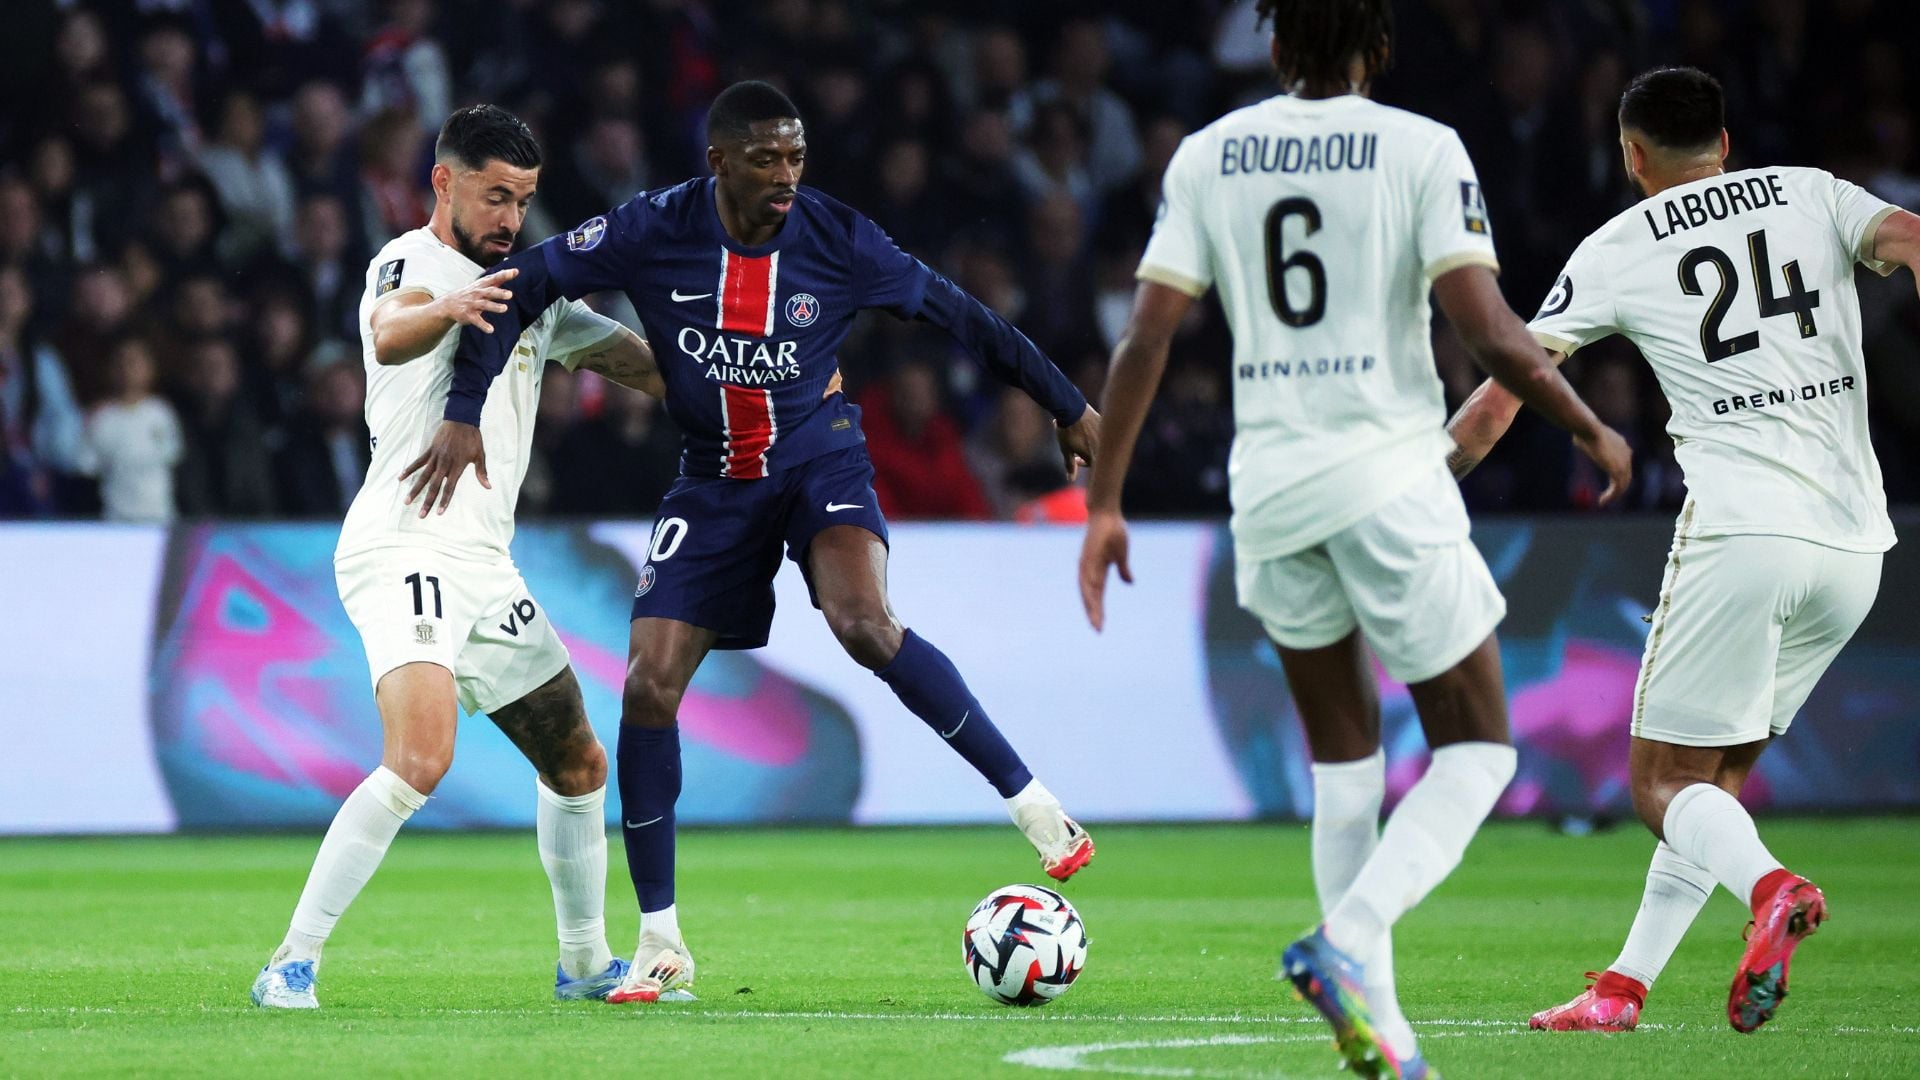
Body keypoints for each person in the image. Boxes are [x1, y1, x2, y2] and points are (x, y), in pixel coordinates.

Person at [404, 80, 1102, 1007]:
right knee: (648, 683)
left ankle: (1035, 807)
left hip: (819, 459)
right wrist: (462, 414)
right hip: (715, 479)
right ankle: (661, 941)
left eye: (796, 156)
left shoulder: (839, 238)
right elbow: (521, 288)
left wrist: (1067, 403)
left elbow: (960, 314)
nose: (785, 175)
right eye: (766, 158)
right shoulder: (652, 227)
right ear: (720, 162)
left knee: (864, 623)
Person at [1075, 3, 1631, 1076]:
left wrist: (1105, 503)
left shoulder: (1210, 154)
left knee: (1344, 763)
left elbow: (1145, 336)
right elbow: (1487, 329)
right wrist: (1586, 422)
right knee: (1480, 751)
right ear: (1379, 49)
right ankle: (1346, 941)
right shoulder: (1422, 148)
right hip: (1387, 480)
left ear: (1276, 48)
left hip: (1271, 494)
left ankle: (1381, 1032)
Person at [1447, 66, 1915, 1035]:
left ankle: (1776, 889)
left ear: (1632, 156)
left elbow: (1503, 395)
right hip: (1856, 547)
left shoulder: (1620, 245)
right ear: (1725, 142)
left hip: (1744, 535)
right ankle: (1621, 990)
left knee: (1661, 784)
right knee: (1713, 786)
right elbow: (1910, 236)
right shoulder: (1812, 193)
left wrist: (1414, 484)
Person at [250, 105, 666, 1009]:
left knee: (577, 760)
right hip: (404, 542)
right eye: (495, 195)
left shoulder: (529, 289)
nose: (511, 218)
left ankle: (585, 963)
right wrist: (453, 306)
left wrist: (734, 374)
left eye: (523, 199)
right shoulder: (410, 263)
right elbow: (389, 330)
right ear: (444, 182)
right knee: (421, 758)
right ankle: (289, 961)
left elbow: (634, 364)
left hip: (483, 560)